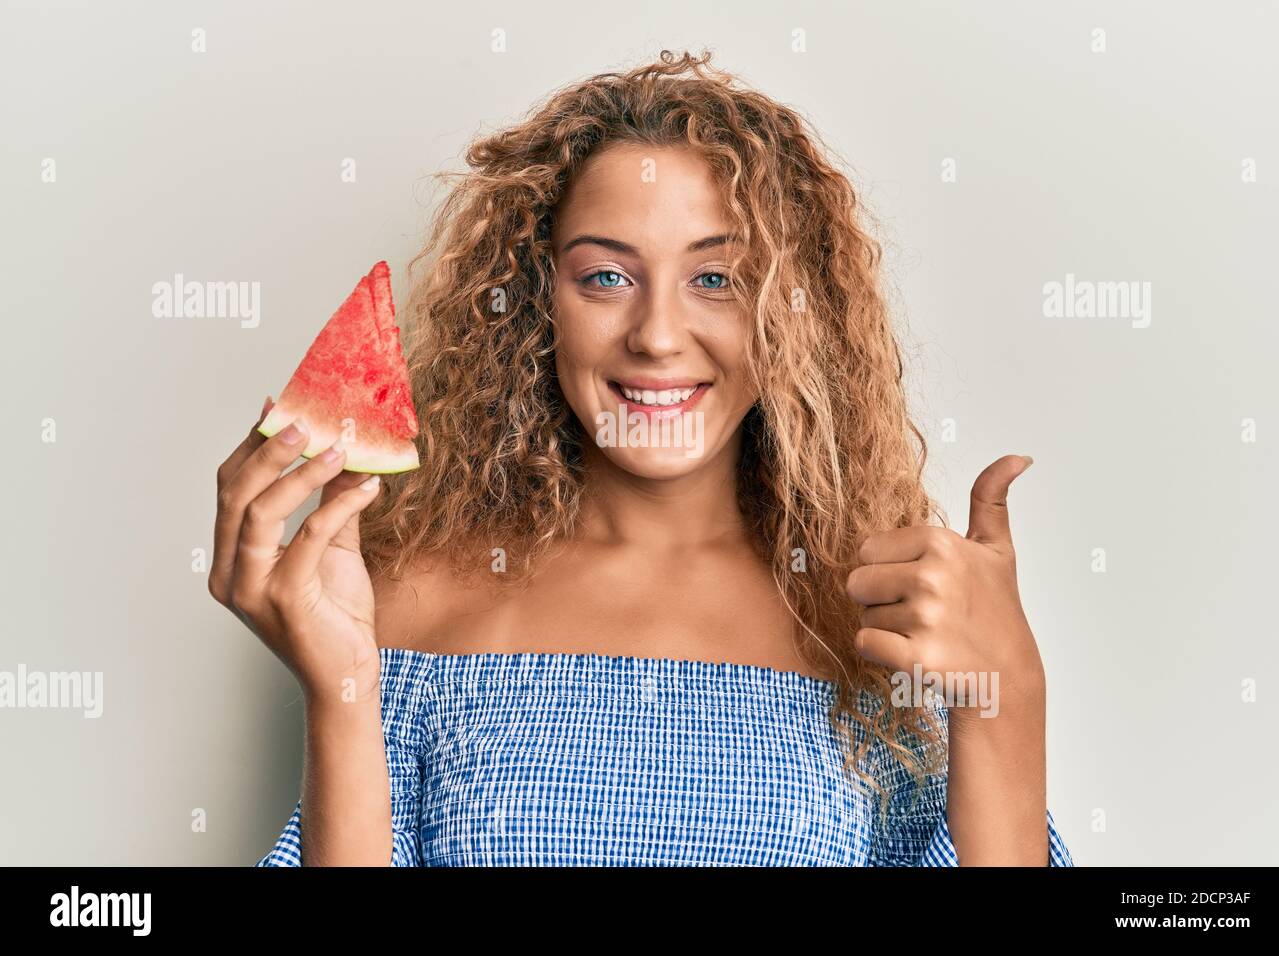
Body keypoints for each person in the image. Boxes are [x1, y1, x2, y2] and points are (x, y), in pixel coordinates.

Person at [209, 50, 1073, 866]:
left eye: (717, 279)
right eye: (606, 278)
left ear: (792, 317)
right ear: (537, 305)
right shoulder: (404, 601)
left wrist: (1011, 700)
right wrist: (342, 687)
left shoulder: (878, 623)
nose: (658, 336)